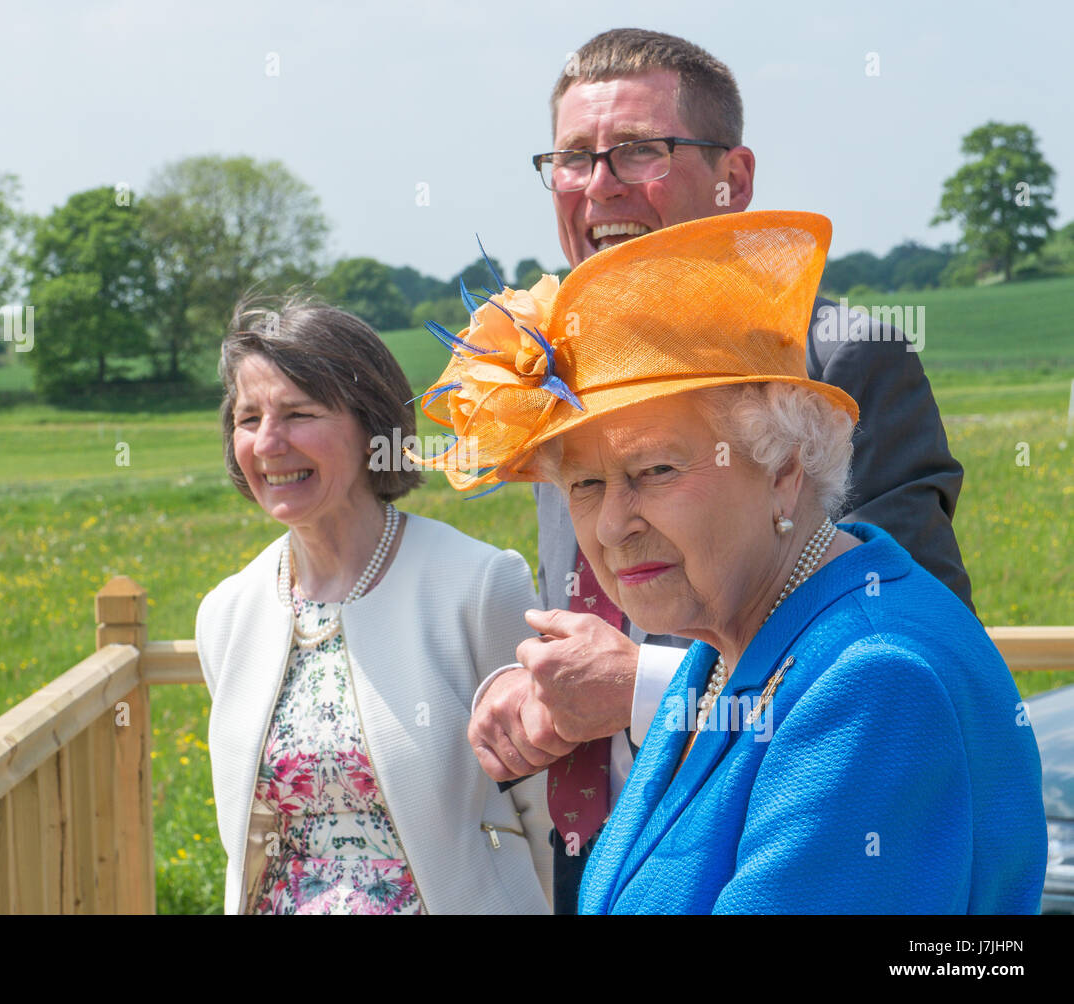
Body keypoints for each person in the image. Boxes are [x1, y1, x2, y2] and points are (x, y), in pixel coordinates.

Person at [468, 27, 975, 912]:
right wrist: (534, 686)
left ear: (734, 180)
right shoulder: (562, 375)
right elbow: (598, 607)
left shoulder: (841, 360)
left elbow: (902, 668)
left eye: (638, 152)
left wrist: (640, 692)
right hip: (595, 848)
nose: (599, 184)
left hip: (780, 833)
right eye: (574, 158)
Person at [416, 210, 1046, 912]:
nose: (614, 523)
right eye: (585, 485)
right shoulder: (735, 637)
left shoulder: (871, 681)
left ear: (783, 467)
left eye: (653, 469)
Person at [194, 295, 552, 915]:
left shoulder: (478, 584)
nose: (269, 442)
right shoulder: (227, 615)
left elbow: (545, 808)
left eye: (298, 413)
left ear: (371, 429)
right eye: (248, 419)